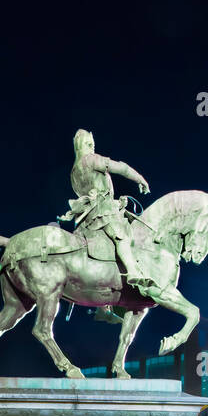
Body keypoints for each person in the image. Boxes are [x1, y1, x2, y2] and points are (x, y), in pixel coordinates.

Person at [58, 128, 159, 298]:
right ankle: (133, 271)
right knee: (123, 238)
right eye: (90, 143)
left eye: (93, 144)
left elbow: (88, 192)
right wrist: (140, 178)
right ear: (82, 144)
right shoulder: (91, 160)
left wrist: (117, 202)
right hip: (103, 212)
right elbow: (122, 168)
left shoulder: (74, 171)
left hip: (87, 219)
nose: (93, 146)